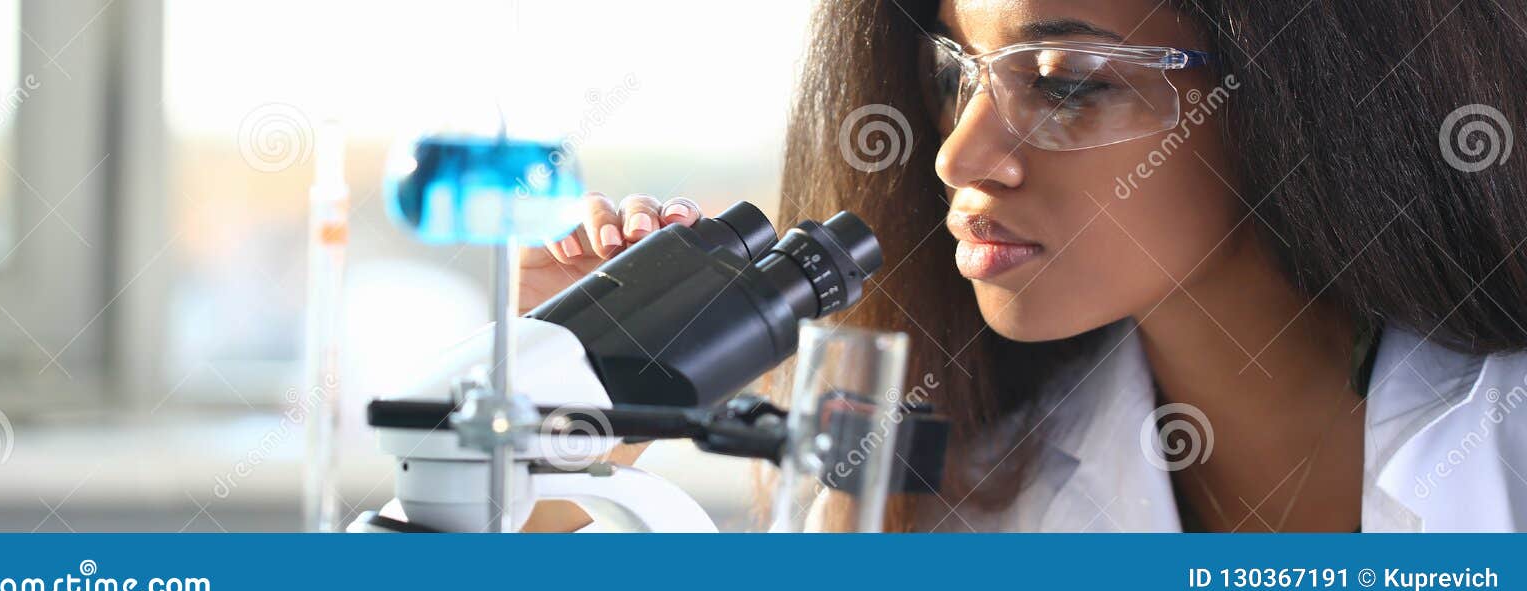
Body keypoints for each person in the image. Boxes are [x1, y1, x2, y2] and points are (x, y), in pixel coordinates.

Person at [520, 0, 1527, 532]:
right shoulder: (944, 502)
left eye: (1069, 82)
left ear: (1291, 100)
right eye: (954, 73)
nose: (959, 155)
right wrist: (555, 415)